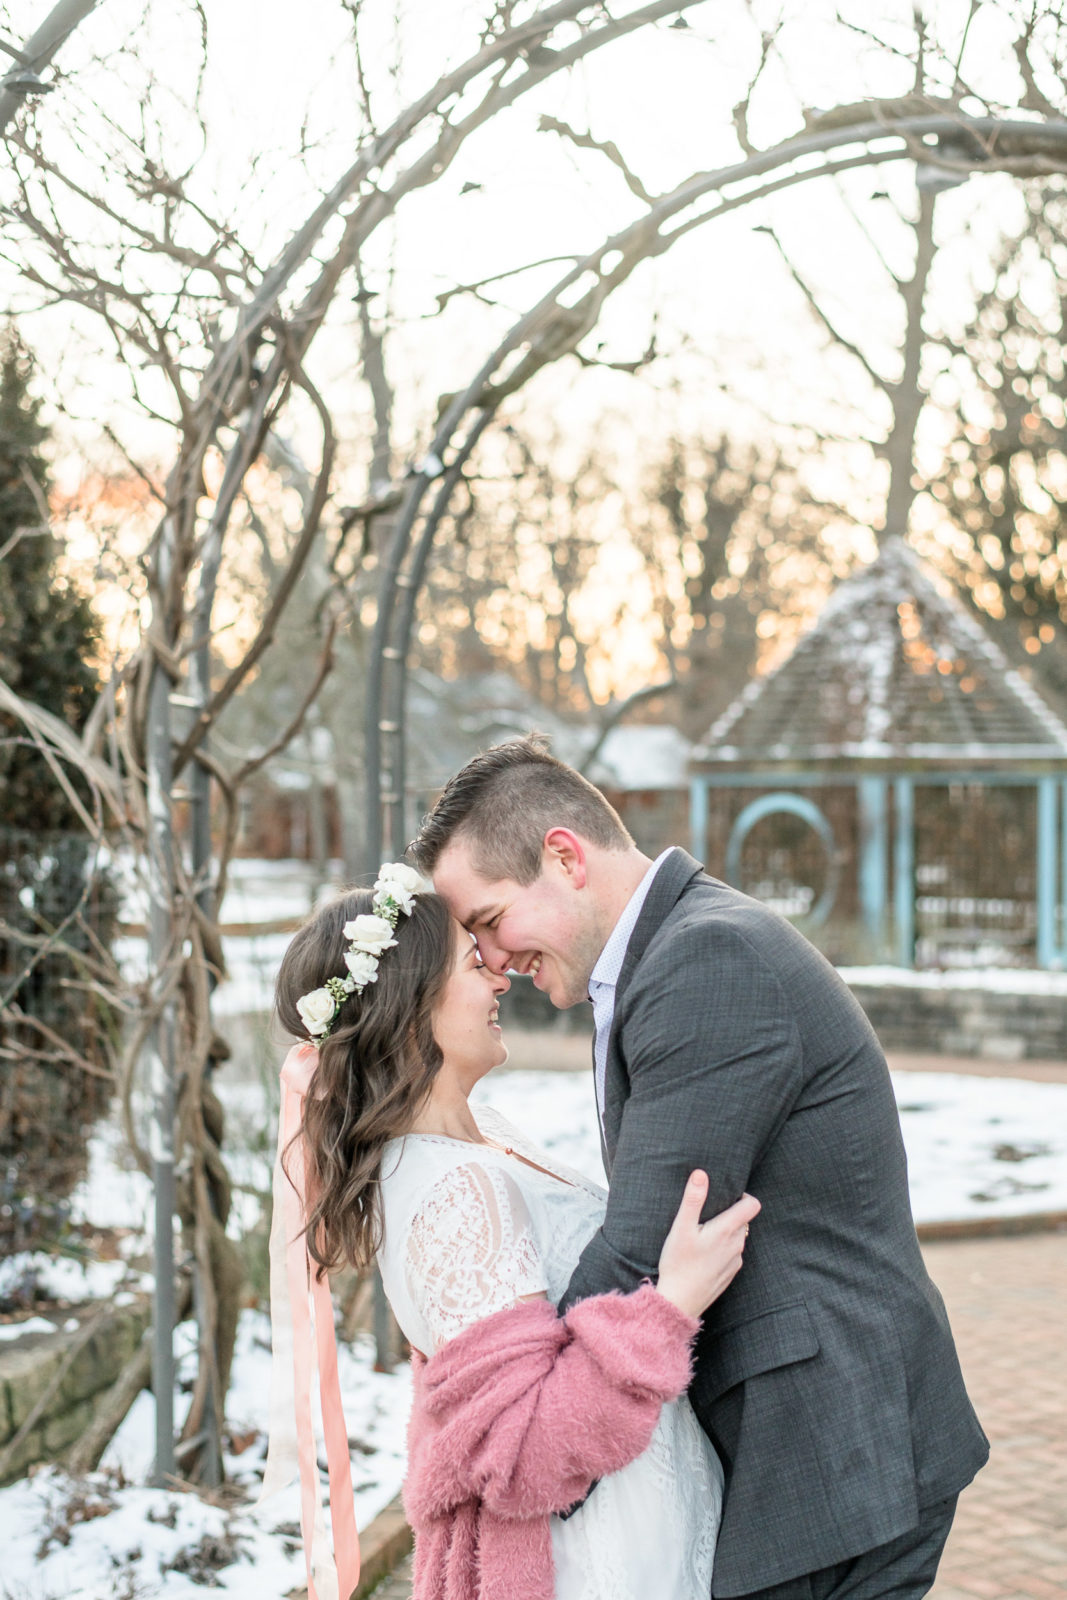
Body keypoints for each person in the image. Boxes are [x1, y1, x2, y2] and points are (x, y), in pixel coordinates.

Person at [409, 736, 990, 1600]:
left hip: (830, 1447)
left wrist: (524, 1434)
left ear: (563, 857)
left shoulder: (704, 961)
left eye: (491, 922)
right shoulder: (673, 951)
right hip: (814, 1440)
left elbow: (644, 1244)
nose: (492, 959)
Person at [270, 862, 759, 1600]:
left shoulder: (484, 1138)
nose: (500, 978)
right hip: (603, 1558)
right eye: (473, 964)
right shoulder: (450, 1191)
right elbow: (520, 1453)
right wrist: (671, 1306)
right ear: (410, 1009)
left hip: (646, 1508)